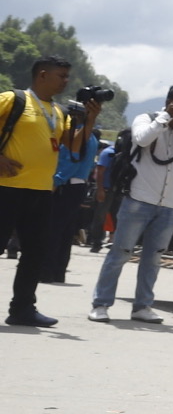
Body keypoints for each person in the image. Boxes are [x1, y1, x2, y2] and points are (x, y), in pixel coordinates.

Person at [91, 85, 173, 324]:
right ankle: (101, 304)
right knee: (120, 253)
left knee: (154, 258)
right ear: (169, 101)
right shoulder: (146, 119)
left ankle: (143, 306)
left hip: (170, 203)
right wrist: (166, 117)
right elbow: (142, 139)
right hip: (138, 198)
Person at [0, 57, 76, 327]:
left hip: (41, 191)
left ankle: (22, 309)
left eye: (67, 76)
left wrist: (90, 119)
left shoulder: (59, 111)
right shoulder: (13, 99)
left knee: (35, 252)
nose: (66, 81)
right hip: (6, 188)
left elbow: (74, 147)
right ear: (42, 75)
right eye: (61, 75)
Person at [44, 95, 104, 285]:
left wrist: (56, 181)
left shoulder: (78, 136)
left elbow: (72, 160)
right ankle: (58, 272)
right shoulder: (90, 136)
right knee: (65, 231)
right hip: (77, 185)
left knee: (53, 229)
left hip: (66, 184)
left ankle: (47, 271)